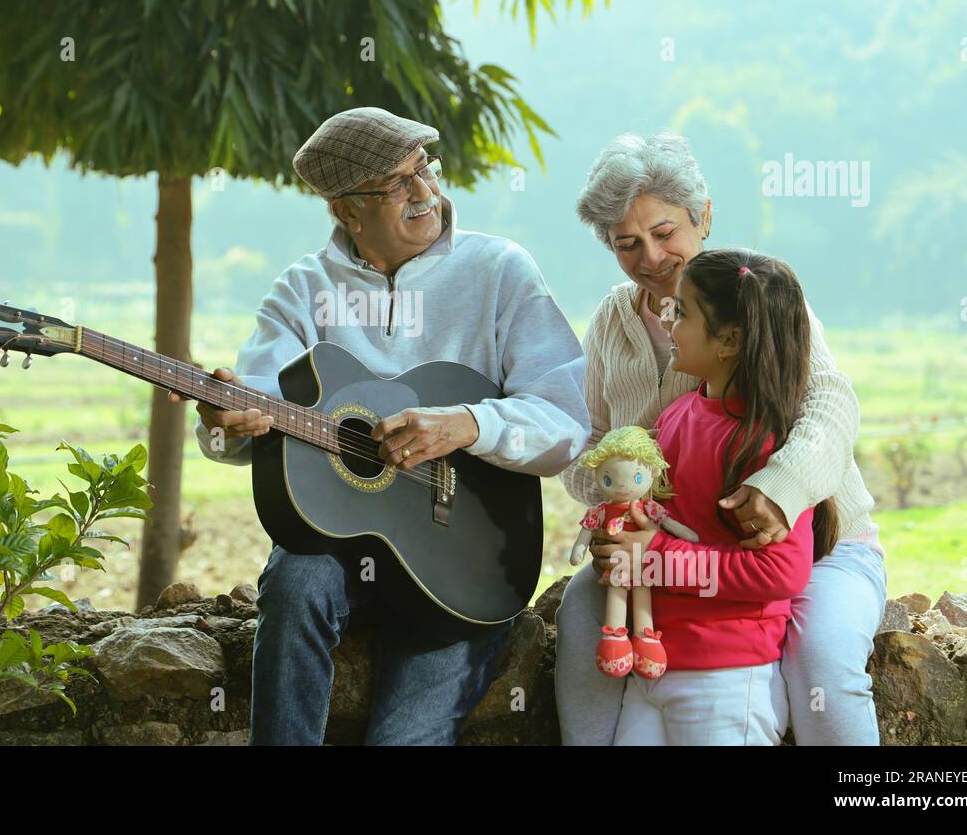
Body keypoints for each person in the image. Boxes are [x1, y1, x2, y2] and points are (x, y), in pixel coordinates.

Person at [173, 106, 591, 745]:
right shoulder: (302, 290)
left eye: (425, 169)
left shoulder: (501, 271)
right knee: (293, 581)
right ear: (346, 210)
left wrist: (469, 424)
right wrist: (228, 421)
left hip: (468, 559)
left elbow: (565, 421)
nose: (426, 192)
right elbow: (259, 410)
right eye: (399, 184)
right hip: (341, 539)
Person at [555, 132, 887, 746]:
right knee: (582, 623)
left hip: (811, 544)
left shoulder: (752, 296)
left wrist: (779, 489)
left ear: (703, 216)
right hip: (671, 550)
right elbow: (590, 443)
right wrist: (617, 494)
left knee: (822, 668)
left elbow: (831, 401)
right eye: (627, 243)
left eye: (664, 232)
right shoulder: (610, 320)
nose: (651, 257)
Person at [589, 248, 835, 744]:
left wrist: (654, 557)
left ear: (730, 340)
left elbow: (780, 572)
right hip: (653, 664)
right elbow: (652, 518)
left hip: (726, 677)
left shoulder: (767, 444)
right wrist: (615, 544)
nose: (668, 322)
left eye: (681, 312)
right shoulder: (677, 416)